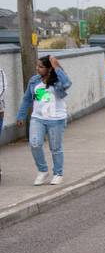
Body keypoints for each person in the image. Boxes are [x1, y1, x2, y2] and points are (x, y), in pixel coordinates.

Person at [14, 55, 72, 186]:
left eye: (41, 66)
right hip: (37, 118)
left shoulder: (58, 80)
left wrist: (57, 67)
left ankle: (58, 173)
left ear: (49, 68)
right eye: (37, 66)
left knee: (55, 148)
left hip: (56, 119)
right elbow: (27, 99)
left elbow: (67, 84)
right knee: (34, 144)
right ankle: (42, 170)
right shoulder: (34, 81)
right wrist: (21, 116)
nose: (37, 68)